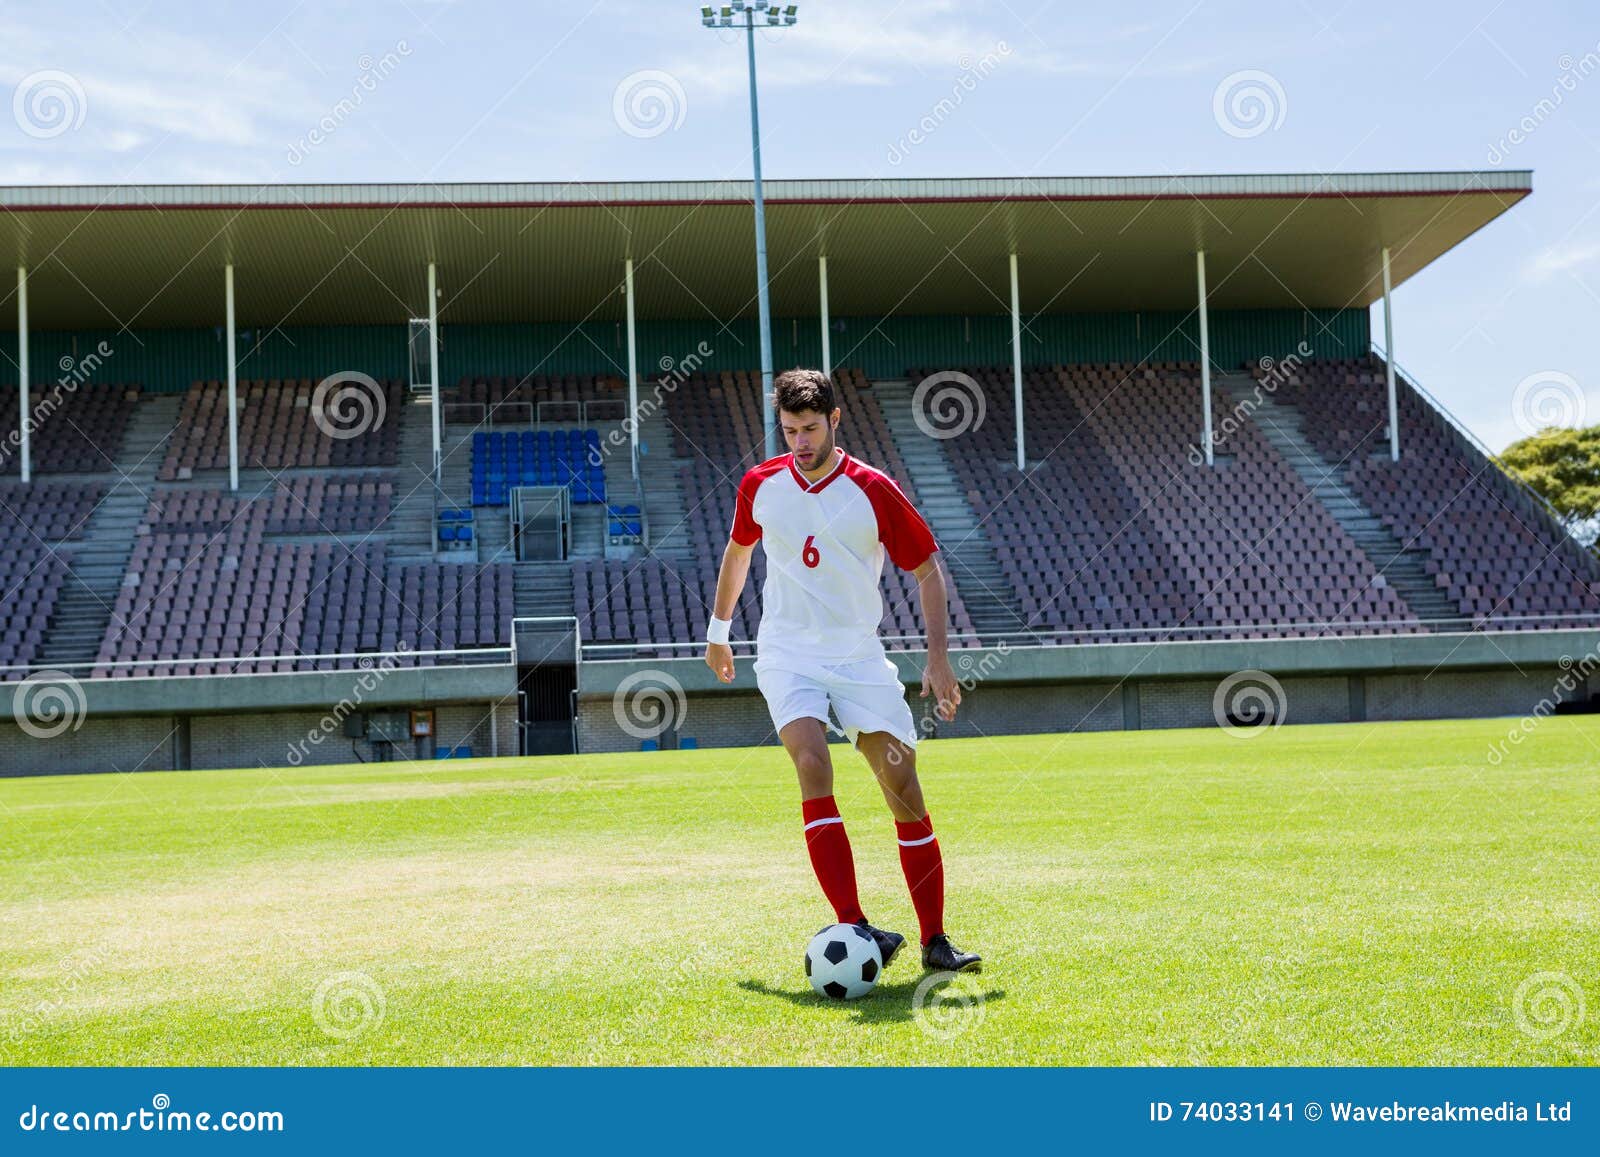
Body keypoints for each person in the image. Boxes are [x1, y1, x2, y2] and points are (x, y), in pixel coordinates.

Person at [704, 368, 981, 974]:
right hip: (787, 654)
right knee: (811, 759)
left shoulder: (873, 489)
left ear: (834, 420)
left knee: (903, 789)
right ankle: (855, 927)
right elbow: (738, 551)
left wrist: (937, 660)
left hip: (858, 658)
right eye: (788, 431)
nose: (799, 442)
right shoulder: (760, 483)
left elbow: (928, 569)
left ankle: (935, 941)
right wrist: (719, 633)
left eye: (809, 428)